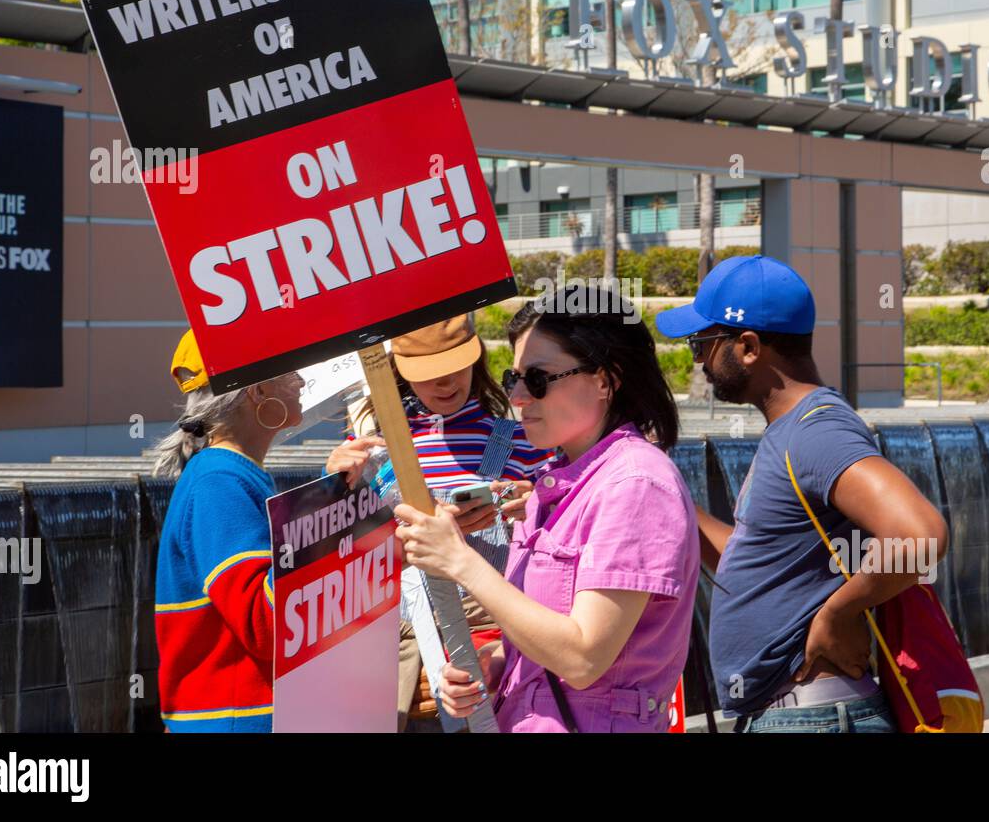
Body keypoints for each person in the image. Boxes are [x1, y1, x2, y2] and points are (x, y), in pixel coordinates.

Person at [654, 255, 949, 733]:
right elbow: (755, 564)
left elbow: (920, 535)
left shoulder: (817, 433)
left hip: (813, 717)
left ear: (748, 347)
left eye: (701, 345)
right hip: (801, 714)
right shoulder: (792, 431)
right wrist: (661, 485)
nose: (699, 362)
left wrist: (838, 611)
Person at [394, 288, 700, 732]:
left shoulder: (635, 484)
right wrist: (497, 666)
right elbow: (548, 632)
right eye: (512, 377)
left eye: (536, 379)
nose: (517, 396)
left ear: (604, 380)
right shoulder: (556, 483)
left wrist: (462, 563)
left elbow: (583, 657)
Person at [324, 314, 555, 731]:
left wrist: (537, 507)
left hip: (491, 649)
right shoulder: (367, 450)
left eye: (456, 366)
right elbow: (337, 561)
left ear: (477, 359)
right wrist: (334, 487)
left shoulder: (525, 440)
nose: (446, 382)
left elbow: (561, 547)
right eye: (430, 374)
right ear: (400, 372)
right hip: (396, 661)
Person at [151, 329, 304, 732]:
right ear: (256, 390)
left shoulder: (227, 476)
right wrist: (327, 510)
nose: (302, 381)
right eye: (291, 371)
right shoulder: (220, 484)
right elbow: (267, 623)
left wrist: (336, 495)